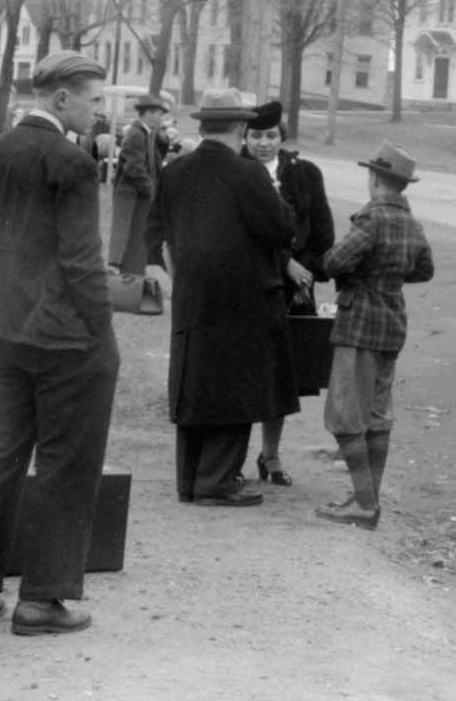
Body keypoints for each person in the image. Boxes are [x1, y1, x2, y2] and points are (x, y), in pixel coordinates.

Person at [0, 52, 118, 636]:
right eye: (95, 101)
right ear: (61, 100)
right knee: (65, 460)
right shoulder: (70, 163)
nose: (99, 113)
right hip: (60, 336)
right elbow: (81, 263)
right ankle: (42, 601)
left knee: (1, 450)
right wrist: (101, 330)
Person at [145, 87, 297, 508]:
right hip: (243, 297)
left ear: (204, 125)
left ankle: (191, 480)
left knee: (194, 383)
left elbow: (156, 233)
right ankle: (219, 481)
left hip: (193, 296)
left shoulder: (176, 171)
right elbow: (281, 229)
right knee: (236, 387)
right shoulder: (248, 174)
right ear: (240, 126)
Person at [317, 140, 434, 530]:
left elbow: (333, 261)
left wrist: (358, 275)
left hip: (359, 322)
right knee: (378, 415)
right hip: (392, 322)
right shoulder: (410, 223)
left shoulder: (371, 220)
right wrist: (389, 277)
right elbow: (424, 270)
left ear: (376, 179)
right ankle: (370, 496)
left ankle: (364, 504)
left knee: (346, 415)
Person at [241, 99, 335, 487]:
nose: (264, 143)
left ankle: (272, 455)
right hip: (248, 287)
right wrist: (283, 263)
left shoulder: (305, 174)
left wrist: (305, 272)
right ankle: (231, 456)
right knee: (245, 372)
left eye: (271, 136)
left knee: (282, 376)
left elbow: (324, 232)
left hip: (293, 292)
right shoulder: (238, 172)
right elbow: (239, 236)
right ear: (244, 138)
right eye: (256, 136)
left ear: (282, 137)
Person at [108, 93, 169, 276]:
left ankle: (132, 275)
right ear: (147, 113)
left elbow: (156, 162)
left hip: (140, 193)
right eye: (158, 113)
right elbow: (134, 168)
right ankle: (121, 274)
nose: (160, 118)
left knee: (138, 239)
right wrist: (151, 191)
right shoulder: (136, 134)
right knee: (126, 236)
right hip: (130, 193)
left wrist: (163, 138)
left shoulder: (148, 134)